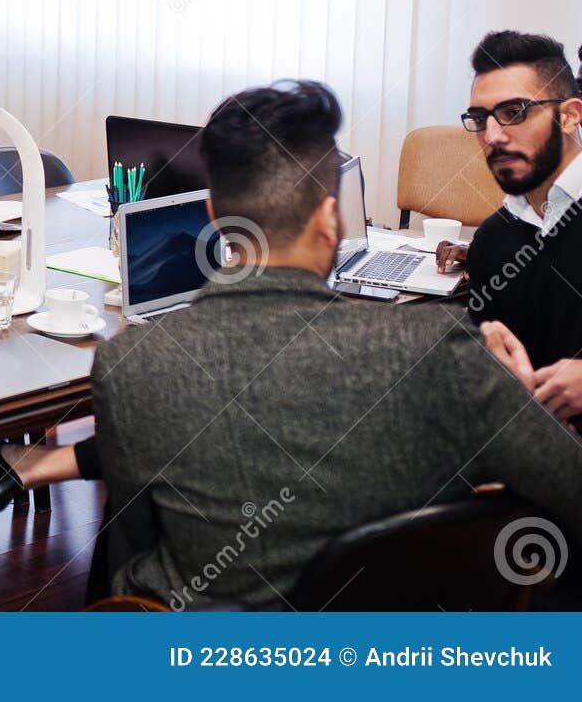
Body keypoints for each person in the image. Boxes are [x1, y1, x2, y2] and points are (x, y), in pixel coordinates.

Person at [89, 80, 582, 608]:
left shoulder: (129, 365)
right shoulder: (441, 348)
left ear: (214, 218)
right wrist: (513, 402)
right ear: (329, 219)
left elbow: (137, 535)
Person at [435, 31, 582, 426]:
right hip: (523, 445)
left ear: (569, 116)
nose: (492, 136)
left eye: (515, 112)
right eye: (480, 118)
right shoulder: (493, 239)